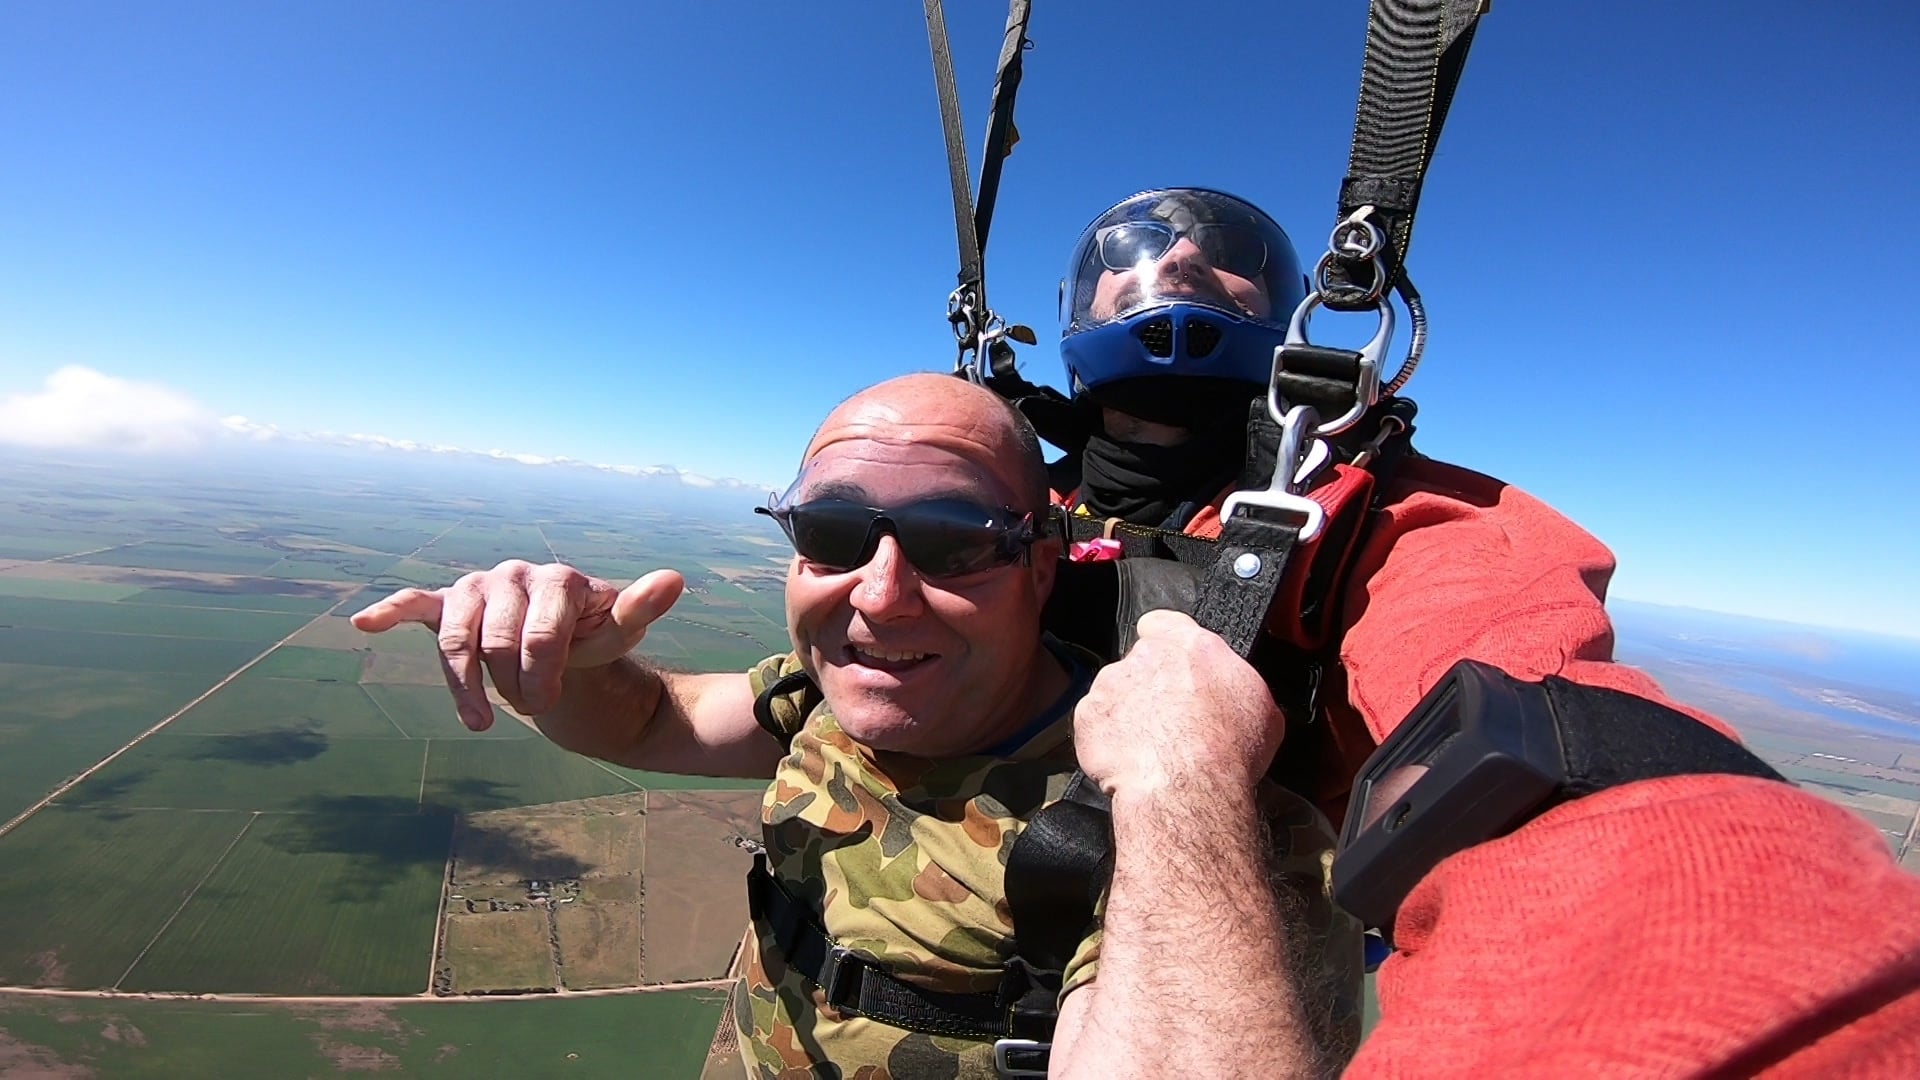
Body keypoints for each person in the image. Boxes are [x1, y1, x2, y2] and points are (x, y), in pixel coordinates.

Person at [349, 373, 1345, 1078]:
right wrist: (561, 666)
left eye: (954, 544)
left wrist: (1187, 790)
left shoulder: (1170, 826)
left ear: (1042, 569)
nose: (880, 595)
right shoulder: (819, 700)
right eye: (829, 536)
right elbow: (654, 718)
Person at [1067, 610, 1920, 1076]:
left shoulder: (1403, 523)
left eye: (958, 537)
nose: (1173, 270)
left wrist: (1180, 770)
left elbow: (1500, 634)